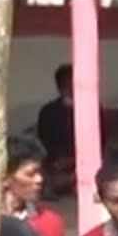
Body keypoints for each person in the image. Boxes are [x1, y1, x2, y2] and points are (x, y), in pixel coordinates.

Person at [36, 64, 77, 196]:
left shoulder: (92, 107)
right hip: (57, 161)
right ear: (59, 86)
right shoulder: (48, 111)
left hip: (83, 160)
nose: (71, 87)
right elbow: (44, 139)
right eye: (67, 83)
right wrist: (58, 159)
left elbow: (101, 138)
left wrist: (74, 159)